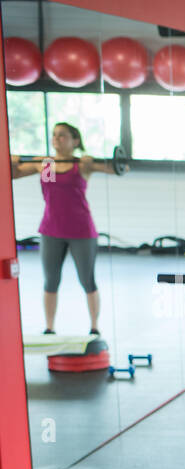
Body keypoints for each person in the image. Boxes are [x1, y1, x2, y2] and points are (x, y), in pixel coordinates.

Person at [10, 123, 126, 335]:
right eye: (55, 135)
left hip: (81, 232)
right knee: (51, 280)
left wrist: (98, 162)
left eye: (62, 136)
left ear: (75, 141)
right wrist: (12, 159)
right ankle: (49, 328)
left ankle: (94, 327)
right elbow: (12, 174)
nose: (57, 139)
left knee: (87, 279)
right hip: (51, 230)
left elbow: (120, 168)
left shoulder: (82, 165)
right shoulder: (44, 164)